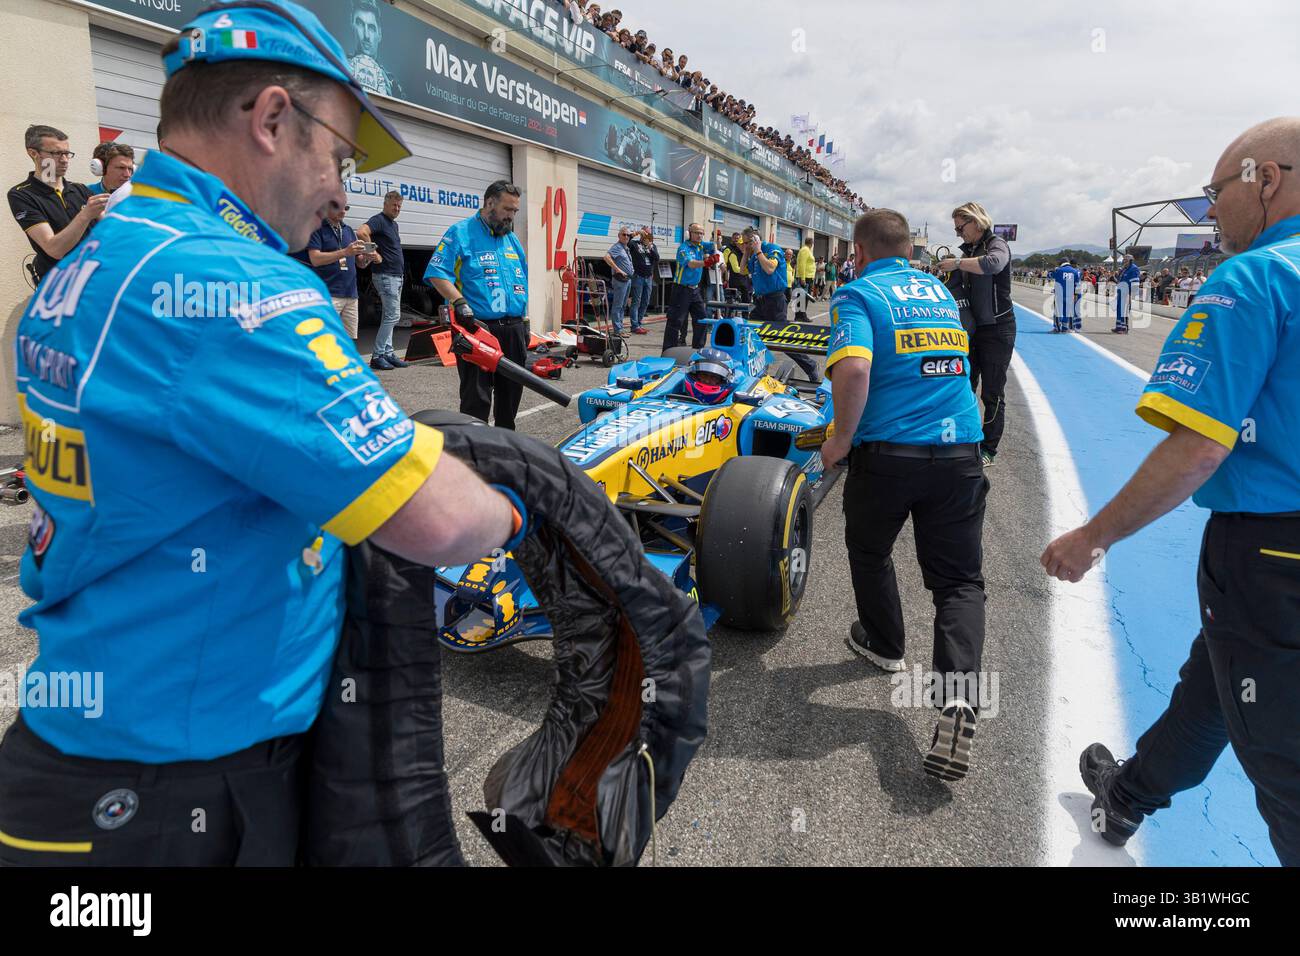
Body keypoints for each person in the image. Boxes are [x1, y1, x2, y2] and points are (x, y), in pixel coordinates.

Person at [0, 0, 521, 867]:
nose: (341, 192)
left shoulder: (111, 246)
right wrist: (528, 512)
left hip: (92, 759)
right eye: (339, 156)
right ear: (275, 118)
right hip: (174, 790)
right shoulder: (228, 283)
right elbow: (435, 521)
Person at [1044, 116, 1300, 866]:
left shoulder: (1254, 277)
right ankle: (1126, 797)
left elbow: (1198, 444)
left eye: (1215, 191)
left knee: (1284, 766)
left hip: (1272, 550)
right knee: (1221, 680)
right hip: (1266, 584)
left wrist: (1092, 537)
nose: (1211, 209)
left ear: (1268, 180)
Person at [821, 209, 987, 781]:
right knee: (959, 583)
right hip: (960, 450)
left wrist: (839, 440)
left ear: (859, 251)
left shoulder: (858, 294)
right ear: (910, 248)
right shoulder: (940, 291)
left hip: (888, 456)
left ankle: (886, 642)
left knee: (870, 550)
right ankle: (958, 698)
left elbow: (856, 371)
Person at [425, 179, 529, 430]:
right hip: (478, 329)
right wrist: (458, 301)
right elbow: (437, 272)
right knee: (476, 399)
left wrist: (524, 322)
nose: (511, 216)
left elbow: (521, 282)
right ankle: (474, 452)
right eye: (507, 209)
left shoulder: (512, 240)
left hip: (513, 329)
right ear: (489, 203)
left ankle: (505, 449)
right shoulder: (460, 233)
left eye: (515, 211)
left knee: (510, 397)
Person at [937, 201, 1014, 468]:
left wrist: (958, 262)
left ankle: (988, 449)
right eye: (956, 230)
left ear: (976, 221)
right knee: (963, 385)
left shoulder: (997, 243)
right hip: (970, 329)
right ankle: (961, 439)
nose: (959, 233)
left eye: (961, 227)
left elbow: (994, 264)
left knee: (992, 392)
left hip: (997, 329)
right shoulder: (965, 251)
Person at [7, 125, 105, 286]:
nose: (64, 159)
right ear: (33, 153)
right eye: (56, 153)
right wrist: (85, 215)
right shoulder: (22, 194)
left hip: (96, 280)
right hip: (60, 286)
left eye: (67, 153)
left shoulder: (80, 189)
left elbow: (110, 232)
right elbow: (55, 249)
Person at [744, 227, 818, 381]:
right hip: (760, 301)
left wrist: (758, 251)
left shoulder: (772, 249)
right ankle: (759, 369)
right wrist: (746, 252)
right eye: (744, 243)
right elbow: (742, 270)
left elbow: (770, 268)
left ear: (756, 241)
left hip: (775, 300)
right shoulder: (753, 255)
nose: (746, 245)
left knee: (782, 339)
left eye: (748, 242)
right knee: (751, 334)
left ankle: (810, 365)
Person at [299, 203, 379, 342]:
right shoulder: (317, 229)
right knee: (325, 339)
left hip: (351, 294)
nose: (343, 211)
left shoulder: (348, 230)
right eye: (339, 208)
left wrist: (367, 258)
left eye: (346, 208)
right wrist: (345, 252)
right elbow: (315, 259)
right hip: (329, 293)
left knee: (349, 341)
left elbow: (359, 263)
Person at [359, 190, 408, 369]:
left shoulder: (393, 225)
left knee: (391, 316)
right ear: (385, 204)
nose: (396, 208)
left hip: (396, 276)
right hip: (386, 275)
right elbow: (362, 232)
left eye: (399, 206)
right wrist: (373, 253)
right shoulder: (378, 220)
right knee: (393, 315)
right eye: (394, 205)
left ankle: (388, 352)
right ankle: (378, 355)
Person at [662, 222, 716, 351]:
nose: (700, 236)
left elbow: (714, 246)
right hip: (681, 289)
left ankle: (698, 348)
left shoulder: (701, 246)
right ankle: (669, 351)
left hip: (695, 289)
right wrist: (706, 262)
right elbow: (691, 264)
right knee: (676, 321)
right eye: (697, 233)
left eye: (702, 233)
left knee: (702, 319)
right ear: (689, 233)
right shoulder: (683, 248)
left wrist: (716, 244)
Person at [602, 226, 634, 336]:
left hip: (627, 280)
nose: (626, 236)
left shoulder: (625, 247)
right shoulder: (617, 247)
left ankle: (620, 328)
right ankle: (617, 330)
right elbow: (606, 257)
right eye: (624, 234)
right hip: (620, 280)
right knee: (618, 305)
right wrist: (618, 270)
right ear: (619, 236)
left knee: (623, 306)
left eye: (628, 235)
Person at [626, 225, 656, 334]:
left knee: (645, 302)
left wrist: (650, 248)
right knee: (636, 302)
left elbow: (657, 258)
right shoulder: (635, 244)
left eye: (649, 234)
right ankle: (634, 326)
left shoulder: (652, 246)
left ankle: (638, 323)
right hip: (638, 277)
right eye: (645, 233)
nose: (647, 236)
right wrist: (637, 232)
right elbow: (627, 241)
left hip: (648, 278)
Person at [1049, 258, 1082, 333]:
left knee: (1058, 311)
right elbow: (1077, 285)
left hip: (1059, 294)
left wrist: (1054, 270)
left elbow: (1050, 275)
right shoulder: (1075, 271)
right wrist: (1076, 295)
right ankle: (1065, 328)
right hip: (1070, 295)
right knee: (1067, 311)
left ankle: (1057, 328)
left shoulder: (1059, 270)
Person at [1114, 254, 1141, 333]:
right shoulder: (1124, 269)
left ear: (1130, 260)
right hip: (1121, 292)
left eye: (1126, 260)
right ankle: (1118, 327)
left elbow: (1135, 283)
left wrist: (1131, 294)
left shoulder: (1134, 269)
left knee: (1124, 310)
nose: (1124, 261)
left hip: (1127, 293)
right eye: (1124, 260)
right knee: (1119, 309)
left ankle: (1124, 328)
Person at [723, 232, 751, 302]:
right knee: (733, 304)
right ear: (738, 245)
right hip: (735, 282)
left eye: (745, 244)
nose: (744, 246)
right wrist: (748, 270)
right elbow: (735, 269)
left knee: (747, 302)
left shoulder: (747, 254)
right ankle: (729, 313)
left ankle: (745, 313)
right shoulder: (733, 254)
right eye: (742, 244)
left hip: (745, 282)